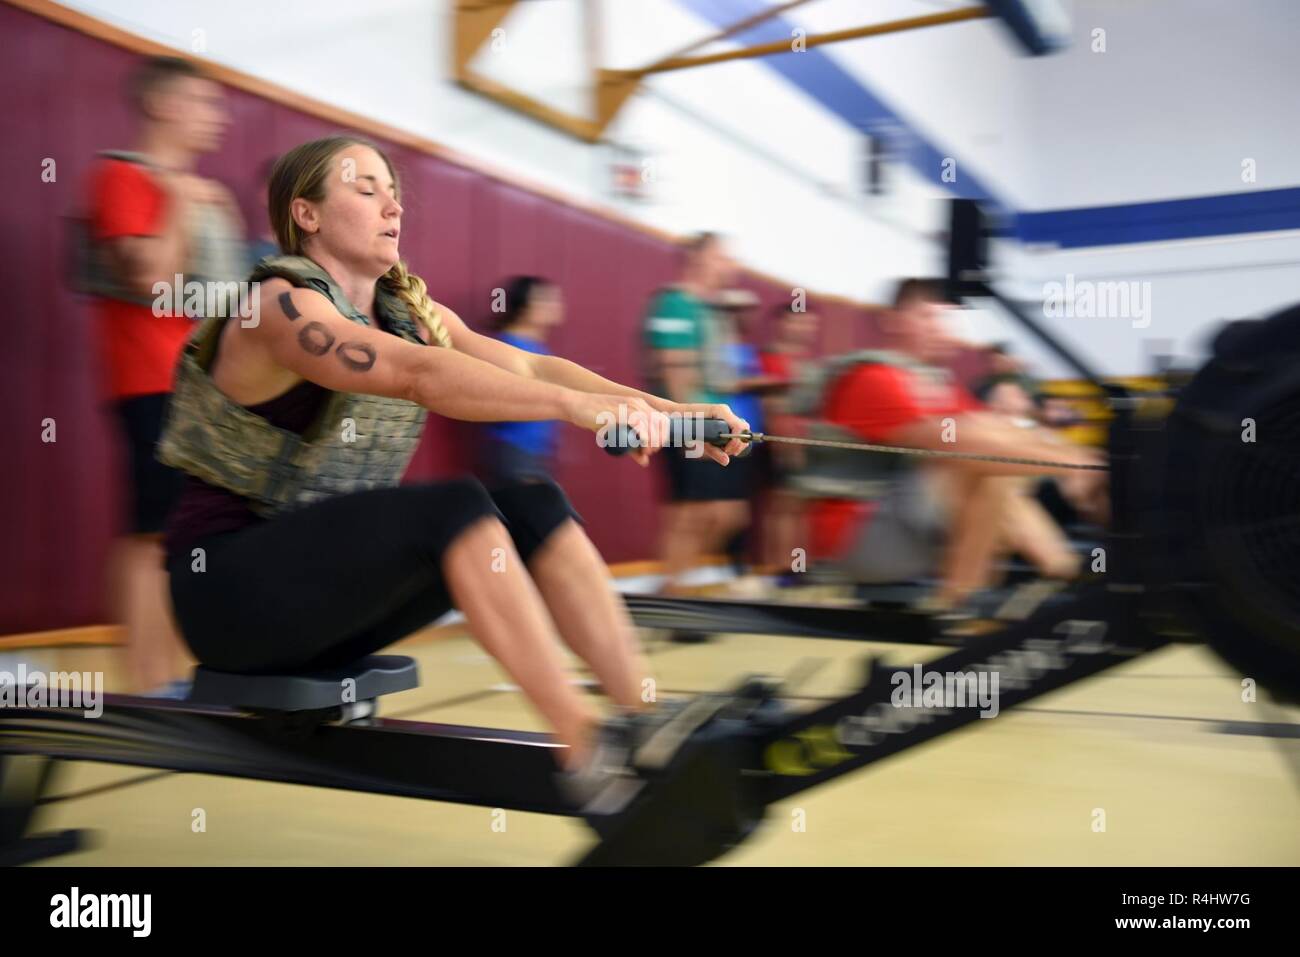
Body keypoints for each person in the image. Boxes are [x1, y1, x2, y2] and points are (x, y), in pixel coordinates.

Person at [158, 135, 749, 779]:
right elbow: (417, 374)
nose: (392, 206)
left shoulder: (406, 310)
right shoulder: (279, 306)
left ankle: (645, 718)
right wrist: (572, 410)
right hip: (227, 597)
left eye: (394, 192)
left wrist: (672, 415)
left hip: (323, 595)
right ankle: (590, 753)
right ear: (308, 214)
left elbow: (527, 363)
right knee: (456, 505)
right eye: (366, 190)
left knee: (532, 502)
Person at [84, 55, 247, 693]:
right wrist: (178, 197)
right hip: (149, 381)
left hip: (203, 384)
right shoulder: (119, 175)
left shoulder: (209, 193)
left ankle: (176, 673)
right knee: (150, 531)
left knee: (184, 532)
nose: (219, 117)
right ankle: (149, 683)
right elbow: (153, 280)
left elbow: (226, 301)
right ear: (162, 104)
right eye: (204, 103)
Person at [805, 279, 1105, 610]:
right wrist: (1073, 463)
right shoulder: (873, 378)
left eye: (943, 318)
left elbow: (998, 431)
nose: (938, 328)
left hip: (908, 530)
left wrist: (1080, 458)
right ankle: (971, 596)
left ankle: (1057, 573)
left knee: (997, 455)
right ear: (893, 320)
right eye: (926, 317)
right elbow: (959, 445)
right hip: (858, 540)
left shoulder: (937, 384)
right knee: (979, 459)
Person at [641, 233, 753, 600]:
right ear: (698, 259)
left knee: (728, 515)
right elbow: (675, 371)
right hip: (688, 425)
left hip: (715, 426)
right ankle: (671, 595)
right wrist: (689, 430)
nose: (729, 265)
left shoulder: (710, 311)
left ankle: (673, 587)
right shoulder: (675, 304)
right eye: (722, 257)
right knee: (691, 513)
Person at [476, 276, 564, 487]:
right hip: (513, 452)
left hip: (535, 454)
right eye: (545, 300)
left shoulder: (539, 351)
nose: (554, 305)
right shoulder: (506, 348)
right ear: (524, 306)